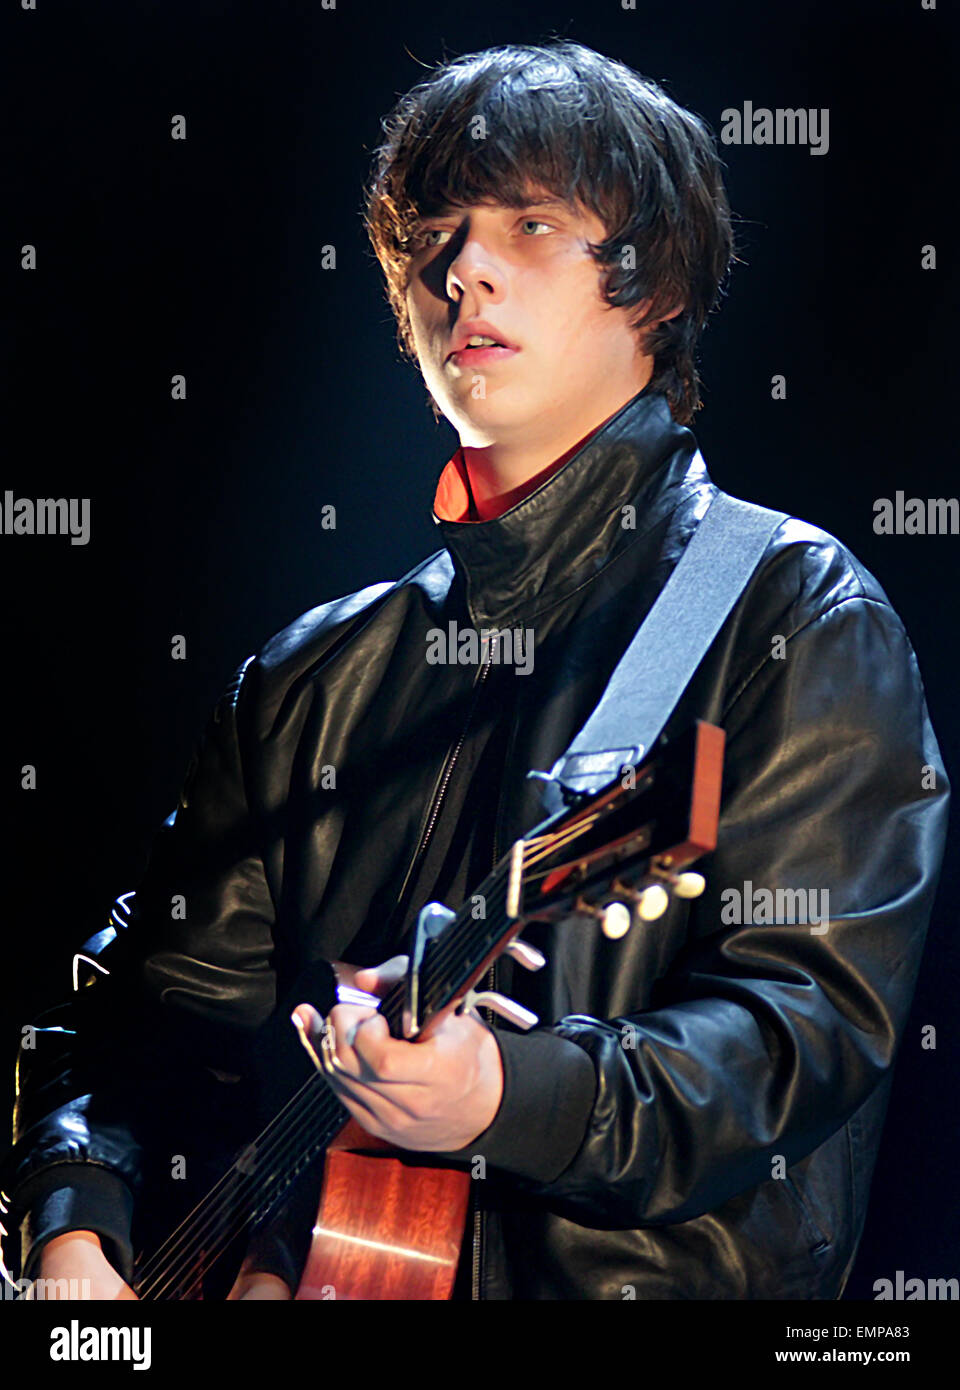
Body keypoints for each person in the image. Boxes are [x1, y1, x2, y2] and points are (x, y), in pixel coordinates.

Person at [0, 40, 948, 1302]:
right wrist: (77, 1229)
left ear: (652, 285)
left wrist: (507, 1096)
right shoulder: (311, 674)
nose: (462, 268)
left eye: (533, 222)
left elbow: (803, 1034)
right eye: (430, 233)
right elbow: (139, 1014)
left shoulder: (790, 605)